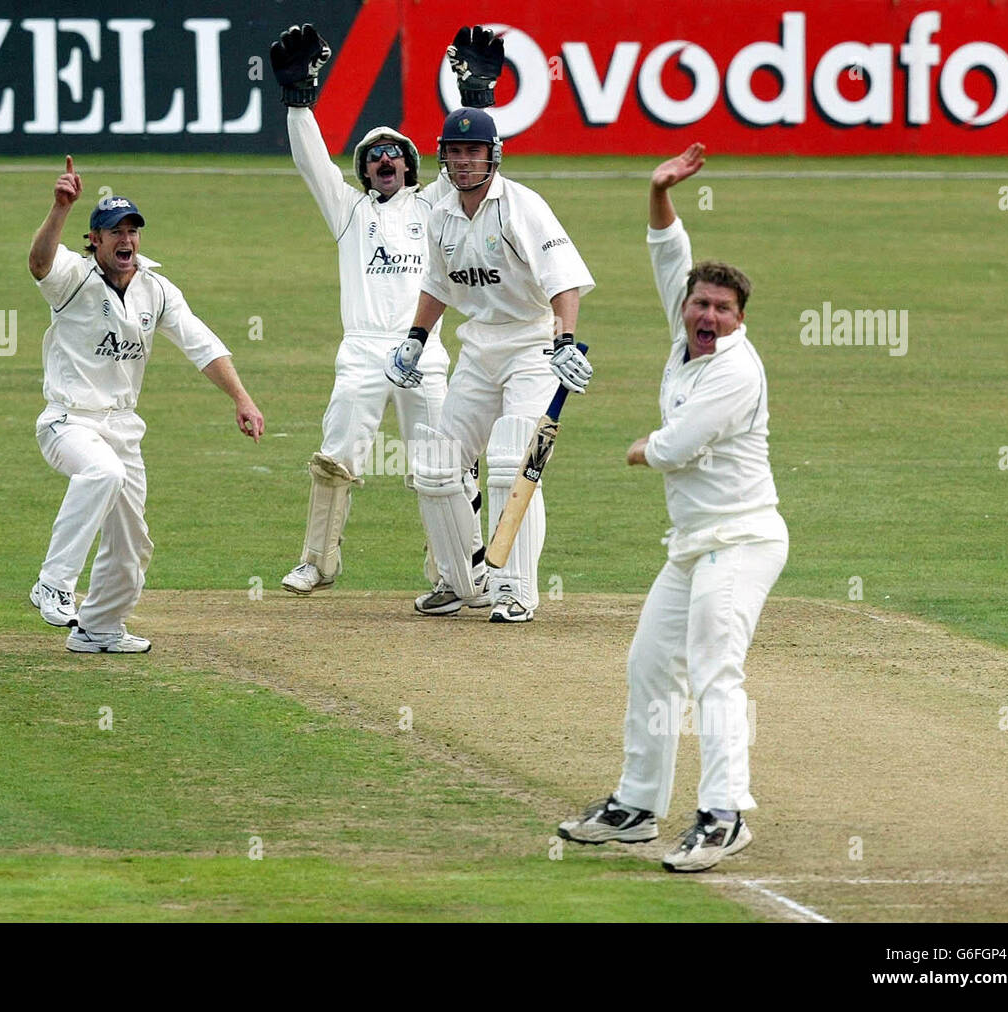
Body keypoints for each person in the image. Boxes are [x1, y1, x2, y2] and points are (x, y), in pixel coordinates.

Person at [556, 143, 788, 871]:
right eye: (699, 303)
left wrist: (638, 447)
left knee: (716, 670)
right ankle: (636, 806)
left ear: (739, 319)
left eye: (722, 307)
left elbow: (676, 446)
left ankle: (724, 815)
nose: (707, 314)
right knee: (651, 666)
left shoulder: (736, 371)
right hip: (691, 541)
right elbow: (667, 251)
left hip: (743, 539)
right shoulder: (684, 331)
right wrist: (659, 190)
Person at [269, 25, 504, 596]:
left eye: (394, 153)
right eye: (372, 156)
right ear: (364, 170)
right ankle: (318, 563)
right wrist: (300, 104)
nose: (383, 160)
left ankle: (454, 569)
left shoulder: (435, 205)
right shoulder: (349, 212)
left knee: (444, 460)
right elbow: (312, 164)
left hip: (422, 347)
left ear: (413, 167)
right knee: (336, 453)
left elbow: (477, 167)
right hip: (363, 349)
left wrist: (477, 100)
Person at [27, 156, 265, 652]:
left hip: (123, 427)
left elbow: (201, 343)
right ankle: (53, 582)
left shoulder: (156, 289)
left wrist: (241, 397)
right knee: (102, 474)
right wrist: (59, 208)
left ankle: (99, 628)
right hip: (68, 421)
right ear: (95, 240)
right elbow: (39, 263)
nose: (126, 240)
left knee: (132, 541)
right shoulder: (72, 278)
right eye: (115, 231)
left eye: (133, 231)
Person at [385, 107, 595, 623]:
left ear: (492, 155)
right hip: (478, 352)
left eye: (471, 152)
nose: (462, 162)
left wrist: (565, 340)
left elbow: (562, 277)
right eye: (454, 153)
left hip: (530, 346)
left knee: (510, 460)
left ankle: (515, 589)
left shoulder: (523, 206)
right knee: (436, 465)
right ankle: (462, 583)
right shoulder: (441, 217)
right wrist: (415, 339)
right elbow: (437, 284)